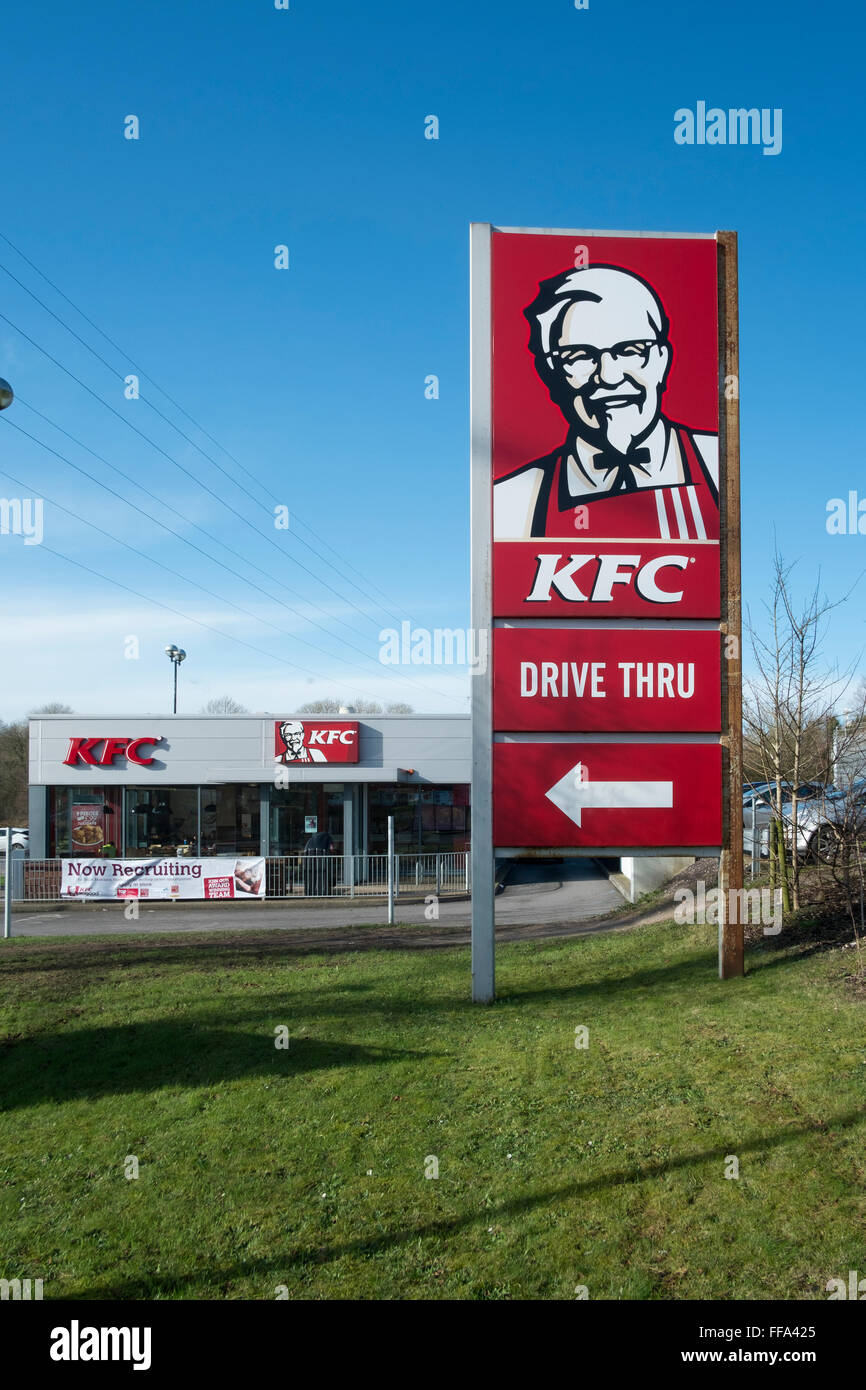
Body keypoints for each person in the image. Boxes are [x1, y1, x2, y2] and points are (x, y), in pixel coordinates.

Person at [493, 264, 718, 542]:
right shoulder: (511, 502)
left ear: (662, 360)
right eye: (579, 356)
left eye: (630, 351)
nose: (609, 376)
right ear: (550, 375)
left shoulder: (716, 464)